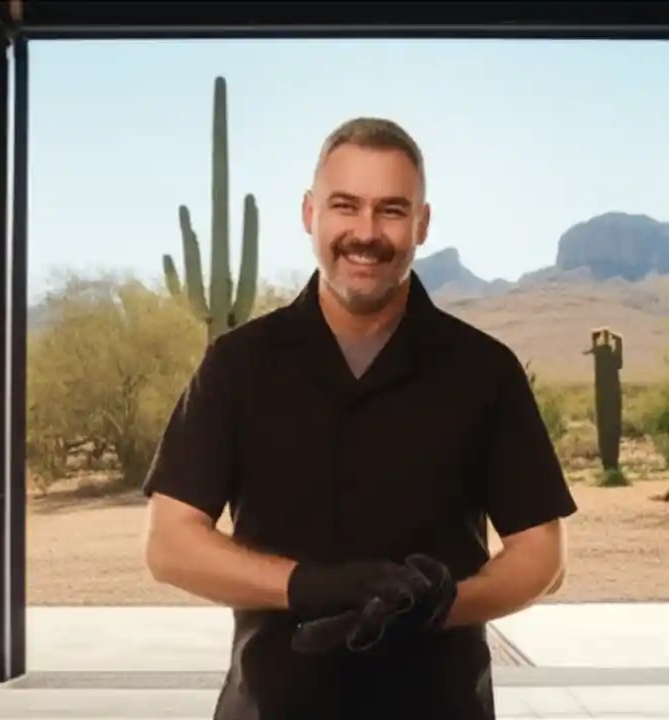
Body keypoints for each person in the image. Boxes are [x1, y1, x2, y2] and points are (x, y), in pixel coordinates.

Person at [141, 116, 577, 719]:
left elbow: (542, 558)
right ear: (309, 213)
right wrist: (309, 586)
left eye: (392, 210)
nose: (366, 233)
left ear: (422, 224)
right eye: (345, 206)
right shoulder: (237, 365)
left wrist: (440, 607)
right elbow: (169, 545)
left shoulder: (485, 371)